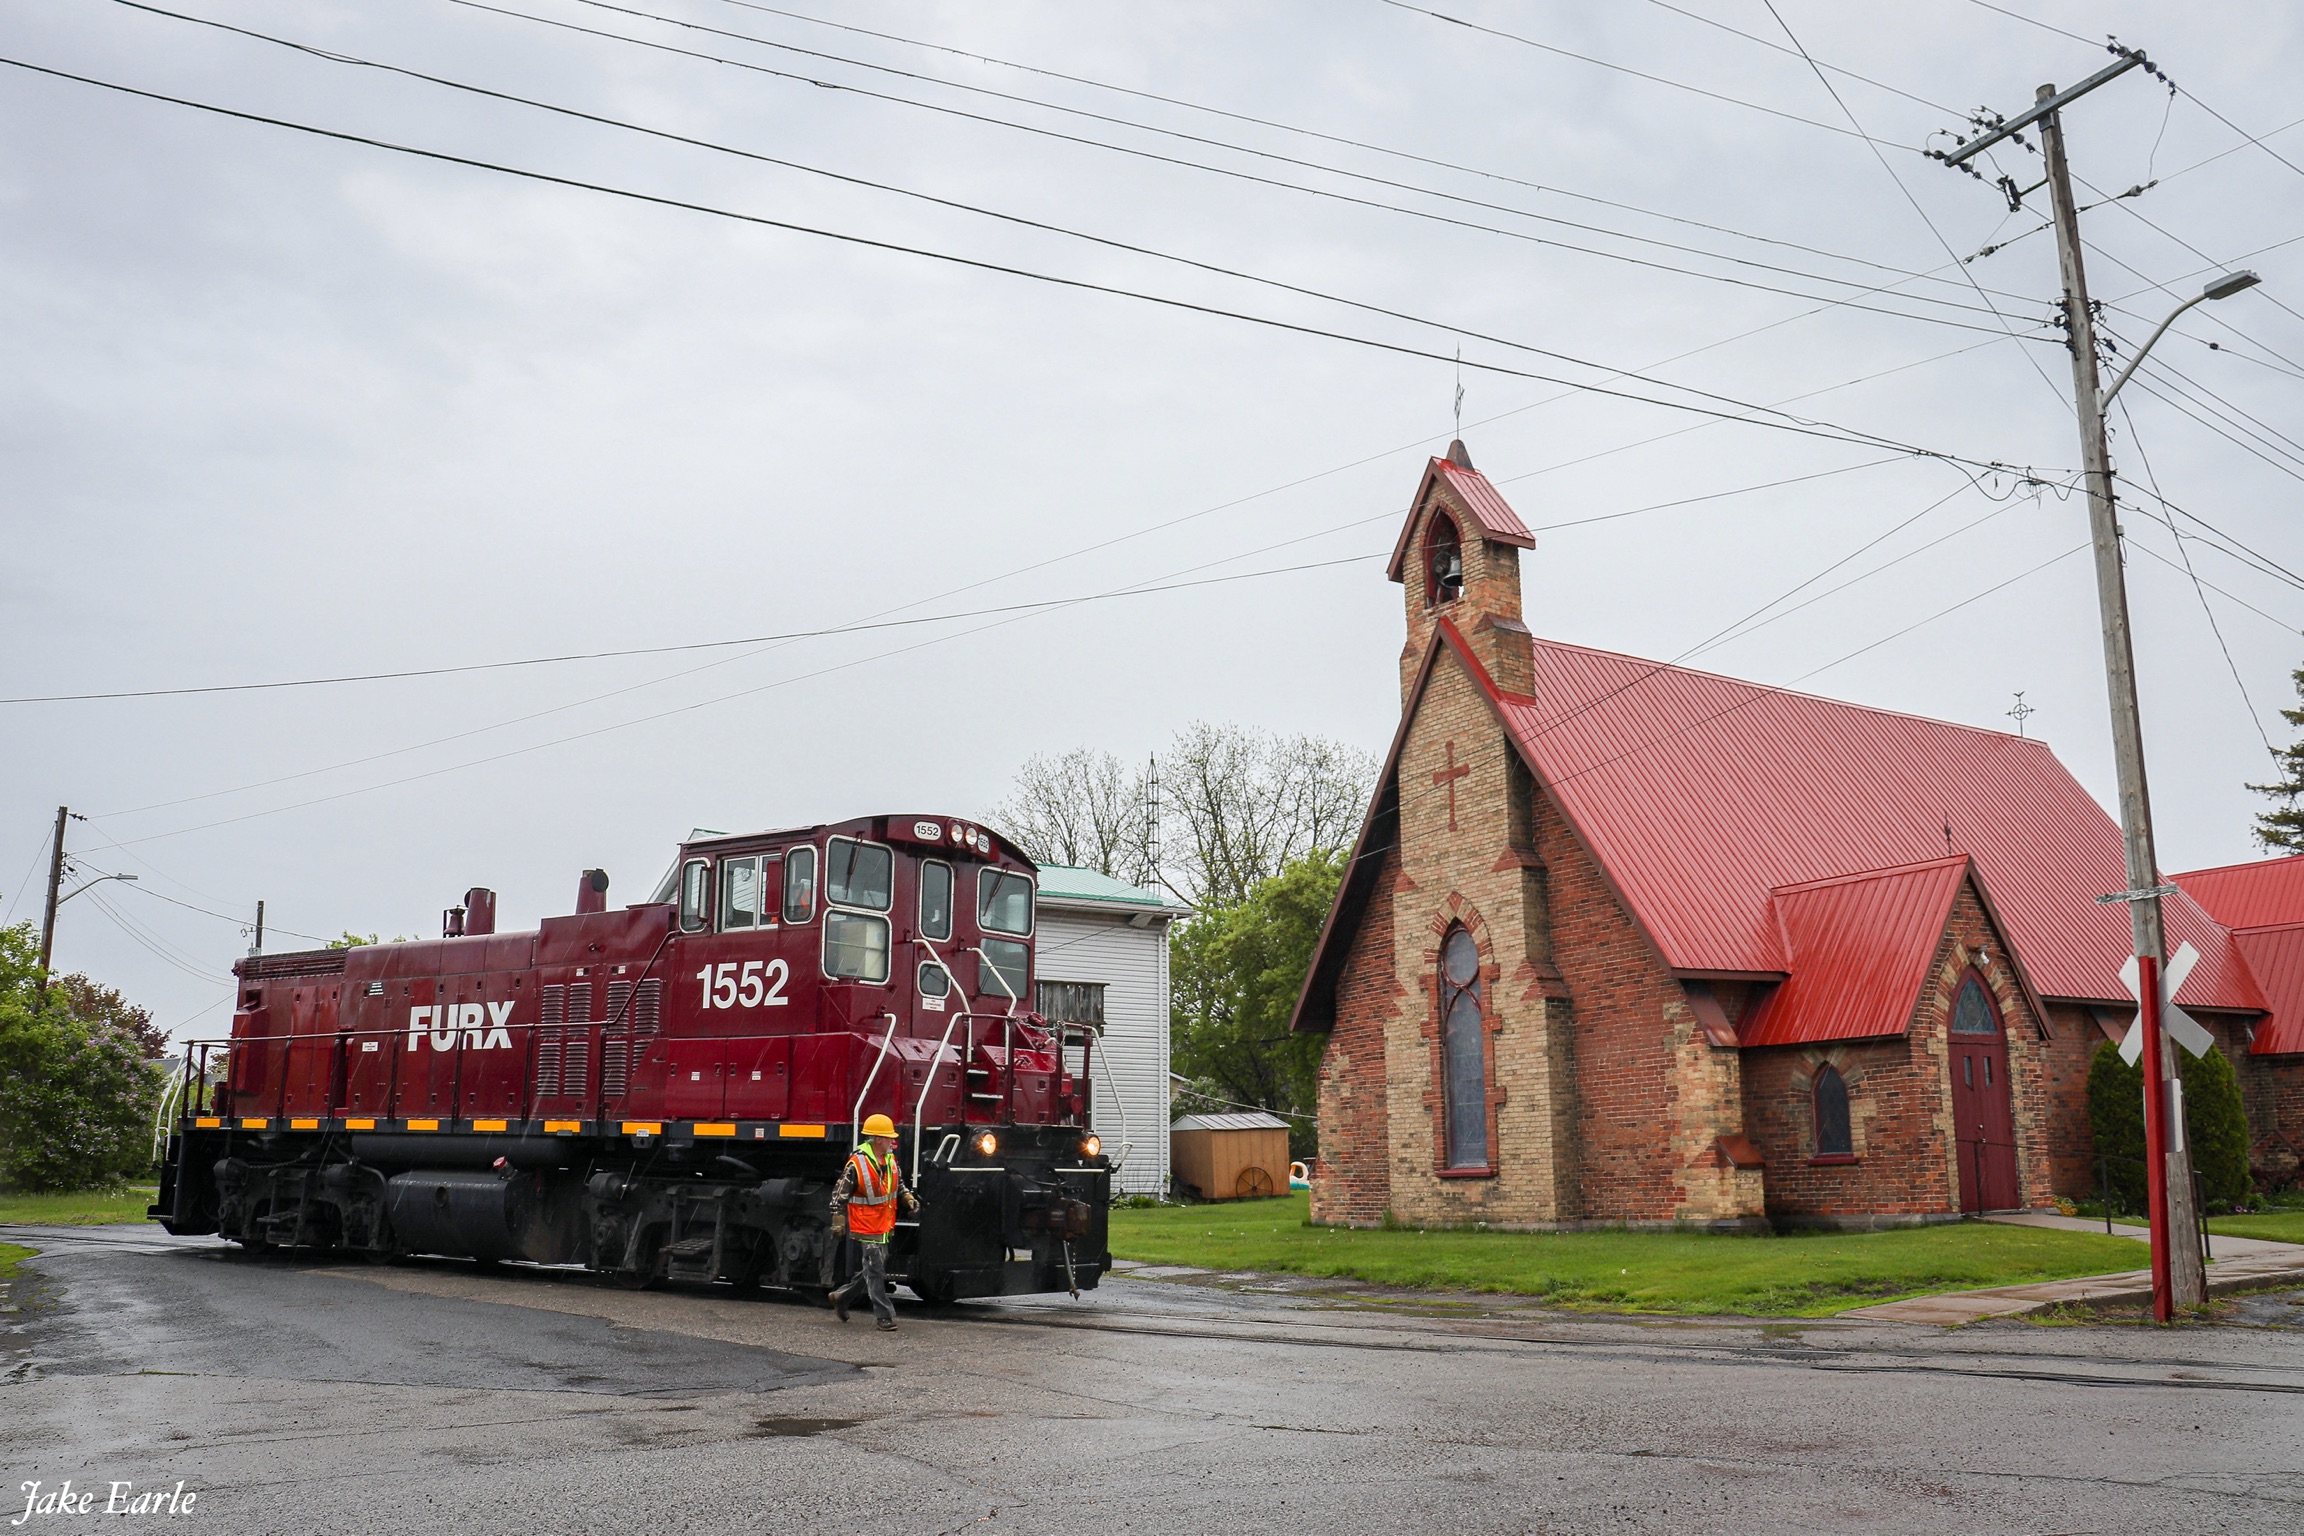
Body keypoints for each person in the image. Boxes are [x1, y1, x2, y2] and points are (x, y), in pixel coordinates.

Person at [828, 1113, 917, 1330]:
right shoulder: (856, 1163)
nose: (892, 1142)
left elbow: (899, 1184)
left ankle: (841, 1296)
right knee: (876, 1267)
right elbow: (839, 1194)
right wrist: (838, 1220)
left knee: (873, 1266)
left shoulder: (889, 1159)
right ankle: (883, 1316)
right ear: (877, 1139)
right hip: (864, 1225)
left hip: (883, 1224)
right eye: (888, 1138)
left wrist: (907, 1197)